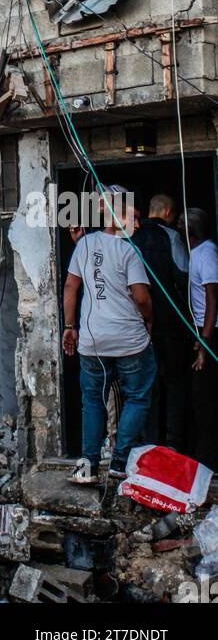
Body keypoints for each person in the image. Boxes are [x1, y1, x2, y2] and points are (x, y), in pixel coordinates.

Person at [62, 186, 155, 483]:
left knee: (91, 401)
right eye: (134, 218)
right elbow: (141, 298)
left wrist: (69, 326)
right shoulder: (130, 250)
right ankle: (118, 463)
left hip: (92, 342)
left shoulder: (85, 245)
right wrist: (150, 322)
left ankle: (88, 465)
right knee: (137, 398)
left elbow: (70, 288)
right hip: (130, 340)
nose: (138, 225)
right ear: (118, 215)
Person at [131, 193, 190, 452]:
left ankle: (150, 446)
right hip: (172, 325)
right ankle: (174, 446)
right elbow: (185, 278)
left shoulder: (131, 239)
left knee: (147, 388)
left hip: (140, 327)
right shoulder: (172, 237)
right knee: (175, 385)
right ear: (168, 212)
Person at [183, 208, 218, 470]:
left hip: (209, 332)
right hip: (200, 330)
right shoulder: (196, 253)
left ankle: (206, 462)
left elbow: (212, 297)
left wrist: (204, 340)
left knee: (204, 398)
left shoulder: (206, 253)